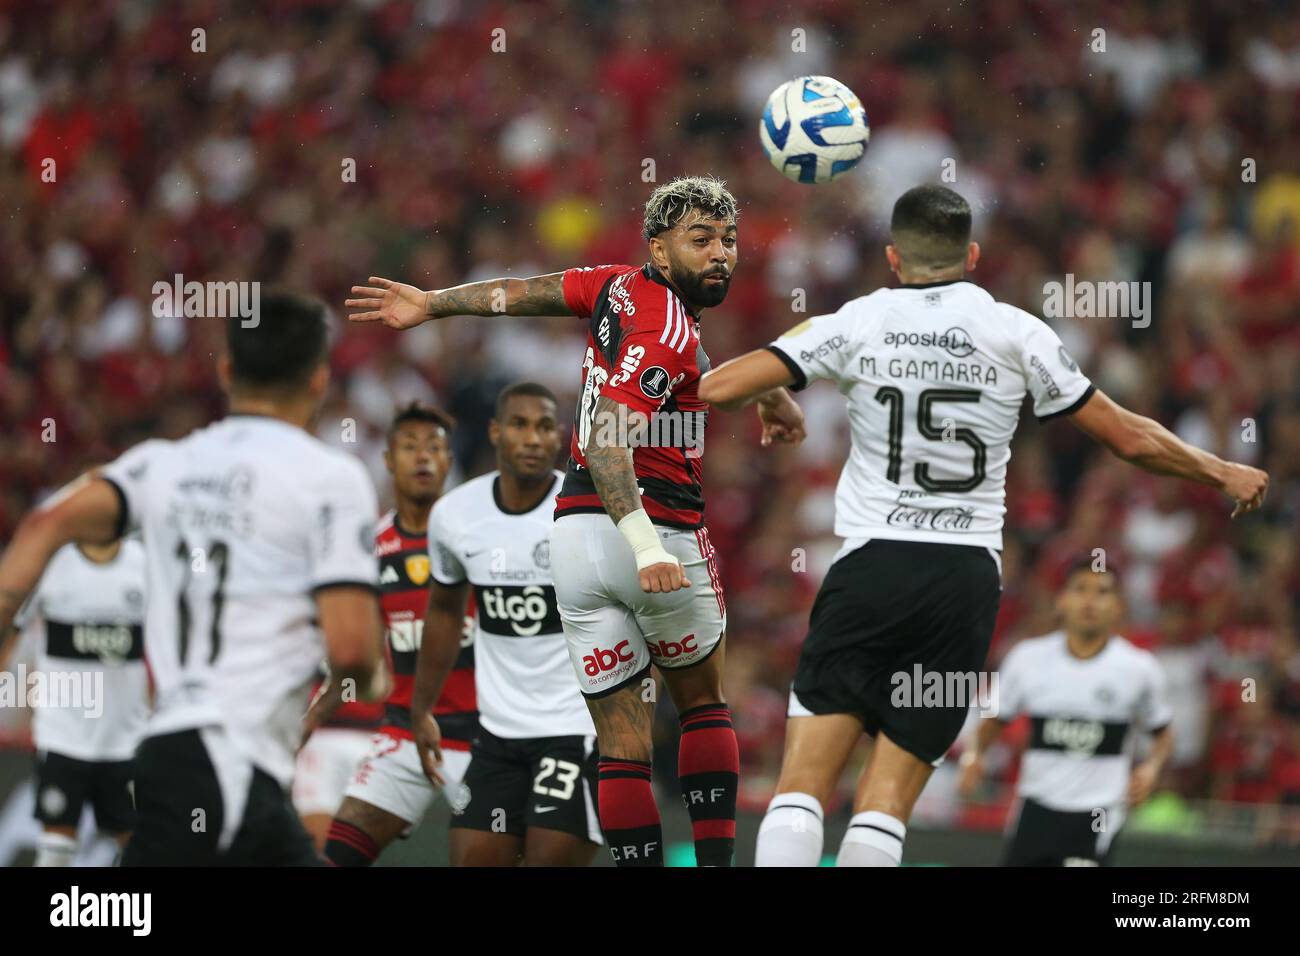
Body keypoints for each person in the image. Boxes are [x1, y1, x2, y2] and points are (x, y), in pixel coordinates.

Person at [697, 184, 1268, 867]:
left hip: (871, 567)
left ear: (891, 257)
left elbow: (716, 385)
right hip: (963, 580)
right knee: (885, 805)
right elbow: (1127, 437)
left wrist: (773, 398)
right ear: (971, 254)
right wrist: (1220, 470)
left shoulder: (856, 321)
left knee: (802, 790)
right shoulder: (1016, 330)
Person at [346, 176, 802, 866]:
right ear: (660, 246)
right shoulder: (667, 328)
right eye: (701, 239)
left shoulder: (619, 287)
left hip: (577, 543)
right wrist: (646, 545)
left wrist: (435, 305)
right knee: (704, 708)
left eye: (729, 241)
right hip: (654, 530)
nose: (721, 255)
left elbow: (522, 293)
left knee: (621, 740)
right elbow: (614, 440)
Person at [0, 290, 386, 865]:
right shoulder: (332, 478)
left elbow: (43, 526)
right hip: (231, 760)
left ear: (227, 370)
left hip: (165, 748)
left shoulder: (159, 464)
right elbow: (352, 648)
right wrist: (364, 680)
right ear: (318, 379)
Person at [413, 382, 601, 866]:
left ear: (559, 437)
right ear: (495, 432)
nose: (533, 439)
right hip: (497, 735)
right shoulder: (455, 515)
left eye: (544, 426)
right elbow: (445, 610)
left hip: (576, 728)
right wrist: (422, 707)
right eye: (520, 425)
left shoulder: (589, 509)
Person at [322, 402, 469, 866]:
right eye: (409, 447)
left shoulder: (478, 539)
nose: (422, 457)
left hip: (487, 735)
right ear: (387, 460)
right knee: (336, 854)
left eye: (434, 448)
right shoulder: (367, 551)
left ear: (449, 461)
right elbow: (356, 658)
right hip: (404, 732)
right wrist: (311, 718)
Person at [958, 560, 1174, 866]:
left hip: (1098, 810)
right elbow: (994, 719)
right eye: (1080, 589)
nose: (1089, 601)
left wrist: (1151, 767)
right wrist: (974, 756)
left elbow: (1162, 731)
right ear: (1062, 600)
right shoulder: (1027, 659)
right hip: (1035, 806)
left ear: (1118, 606)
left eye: (1102, 592)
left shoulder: (1139, 669)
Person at [3, 537, 148, 866]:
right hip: (63, 737)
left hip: (125, 740)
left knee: (135, 841)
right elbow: (10, 627)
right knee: (55, 842)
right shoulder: (51, 563)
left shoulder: (144, 564)